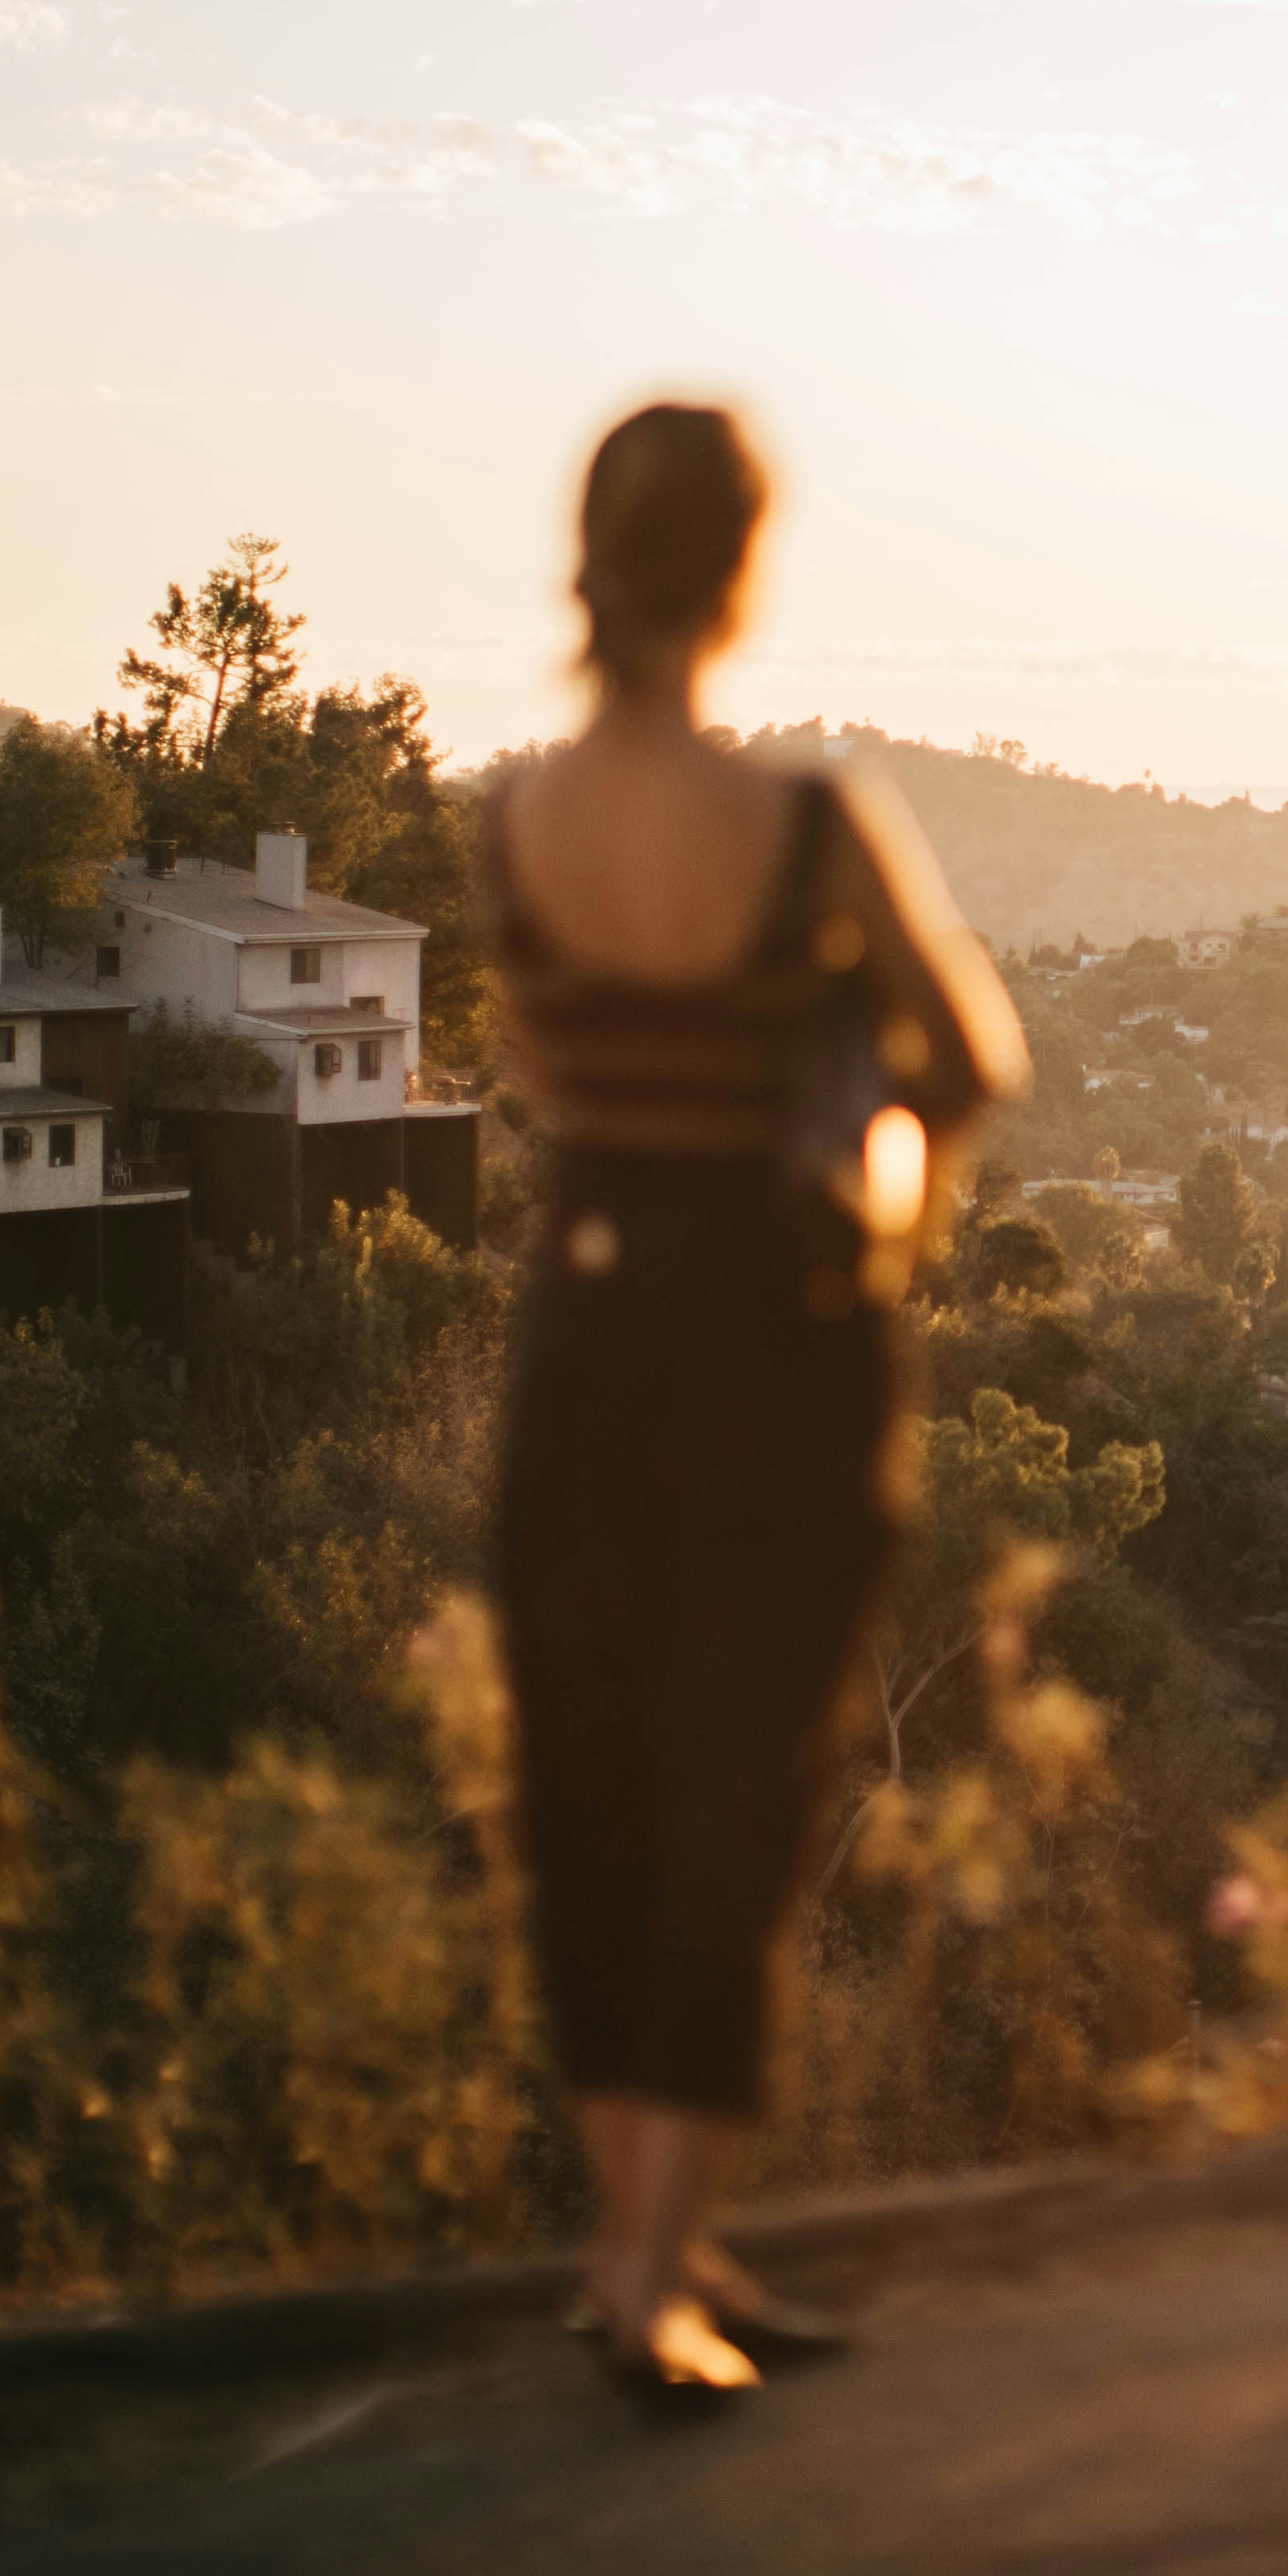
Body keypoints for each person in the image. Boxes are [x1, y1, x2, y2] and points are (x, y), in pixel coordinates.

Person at [485, 403, 1027, 2406]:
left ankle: (646, 2239)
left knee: (593, 1769)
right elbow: (973, 1052)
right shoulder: (811, 816)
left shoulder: (514, 820)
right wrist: (868, 1142)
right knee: (746, 1777)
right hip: (777, 1324)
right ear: (742, 570)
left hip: (584, 1312)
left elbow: (563, 1070)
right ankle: (648, 2277)